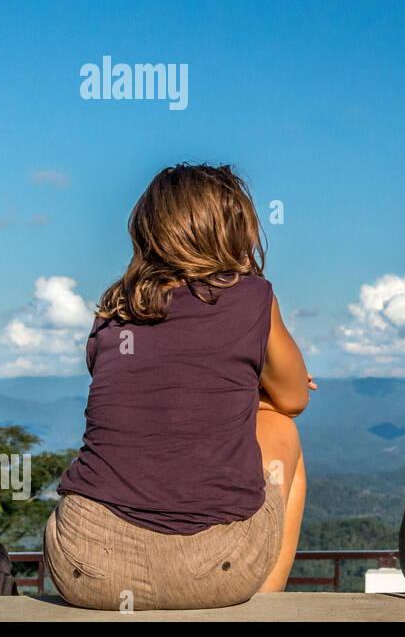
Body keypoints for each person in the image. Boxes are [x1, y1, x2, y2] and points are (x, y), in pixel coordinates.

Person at [43, 163, 313, 610]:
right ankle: (266, 606)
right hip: (216, 572)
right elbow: (295, 398)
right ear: (235, 231)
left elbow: (154, 393)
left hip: (85, 564)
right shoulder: (254, 296)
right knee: (280, 425)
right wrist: (256, 394)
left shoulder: (114, 309)